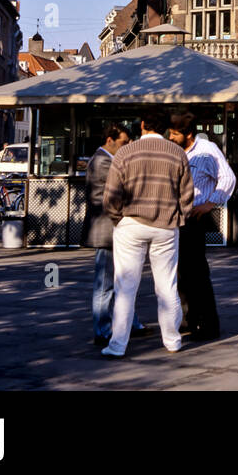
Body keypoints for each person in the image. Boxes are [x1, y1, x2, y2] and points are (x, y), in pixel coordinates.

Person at [101, 111, 193, 357]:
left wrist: (117, 218)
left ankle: (118, 344)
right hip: (165, 226)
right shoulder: (177, 154)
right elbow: (187, 195)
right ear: (165, 128)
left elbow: (111, 194)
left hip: (131, 223)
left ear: (142, 125)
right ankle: (172, 340)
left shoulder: (125, 153)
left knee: (125, 287)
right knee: (166, 286)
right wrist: (178, 218)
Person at [168, 113, 234, 342]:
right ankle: (188, 319)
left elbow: (227, 178)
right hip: (176, 218)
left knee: (197, 272)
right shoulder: (174, 151)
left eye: (175, 133)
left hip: (195, 216)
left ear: (188, 135)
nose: (171, 137)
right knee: (180, 272)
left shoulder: (207, 150)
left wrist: (210, 203)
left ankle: (207, 324)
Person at [83, 125, 146, 348]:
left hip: (115, 228)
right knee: (106, 283)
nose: (127, 146)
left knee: (123, 279)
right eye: (123, 142)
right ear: (110, 140)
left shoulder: (105, 159)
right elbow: (121, 190)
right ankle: (102, 328)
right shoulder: (103, 162)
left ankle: (130, 321)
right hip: (107, 228)